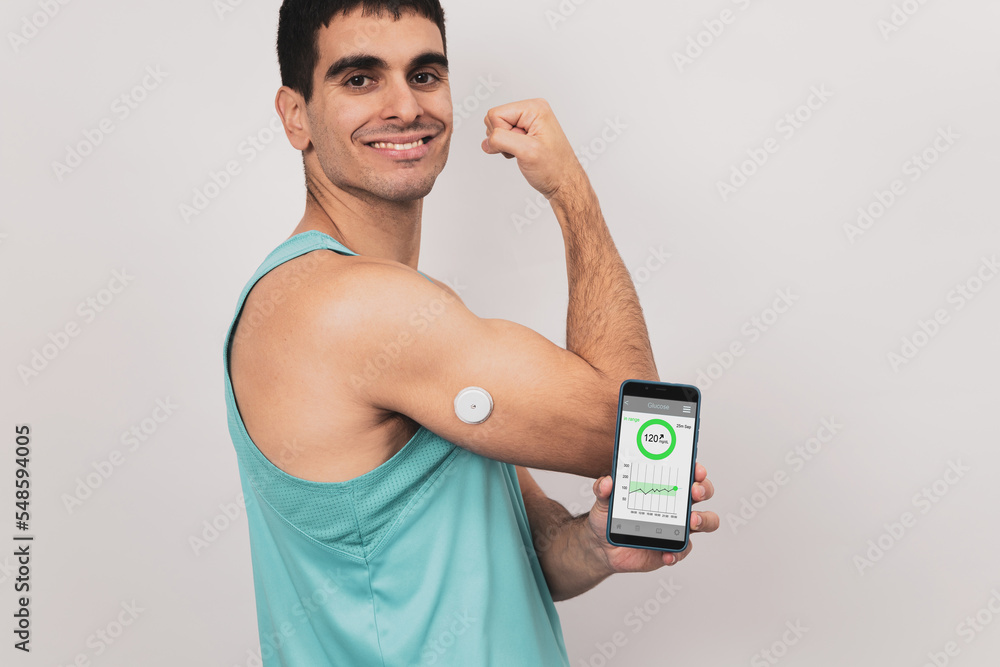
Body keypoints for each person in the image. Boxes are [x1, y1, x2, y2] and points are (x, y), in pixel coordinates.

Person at [221, 1, 718, 664]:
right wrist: (569, 187)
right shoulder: (347, 306)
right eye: (360, 79)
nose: (405, 107)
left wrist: (595, 542)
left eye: (424, 75)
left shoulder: (413, 323)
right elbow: (633, 434)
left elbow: (530, 550)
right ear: (295, 115)